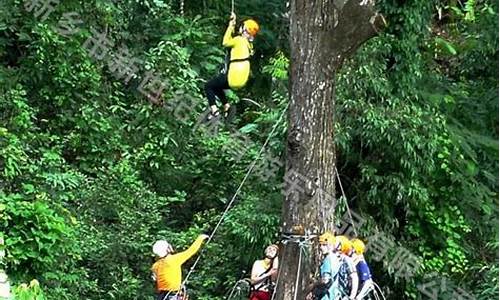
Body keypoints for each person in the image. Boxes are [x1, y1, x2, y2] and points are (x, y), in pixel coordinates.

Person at [205, 12, 260, 119]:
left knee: (208, 86)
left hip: (233, 77)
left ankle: (214, 111)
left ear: (245, 30)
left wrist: (231, 25)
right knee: (217, 86)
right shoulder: (250, 45)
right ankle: (226, 106)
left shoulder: (239, 40)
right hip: (241, 81)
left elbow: (225, 43)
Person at [151, 234, 209, 300]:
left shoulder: (155, 266)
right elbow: (191, 251)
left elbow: (156, 281)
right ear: (167, 249)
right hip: (172, 295)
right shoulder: (174, 259)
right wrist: (200, 238)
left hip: (161, 296)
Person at [307, 231, 341, 300]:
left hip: (326, 296)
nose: (321, 247)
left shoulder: (328, 260)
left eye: (324, 245)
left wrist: (314, 285)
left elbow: (325, 280)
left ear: (330, 245)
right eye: (321, 245)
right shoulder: (336, 259)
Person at [336, 236, 359, 300]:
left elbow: (354, 278)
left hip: (342, 294)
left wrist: (352, 296)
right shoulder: (335, 258)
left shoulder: (347, 260)